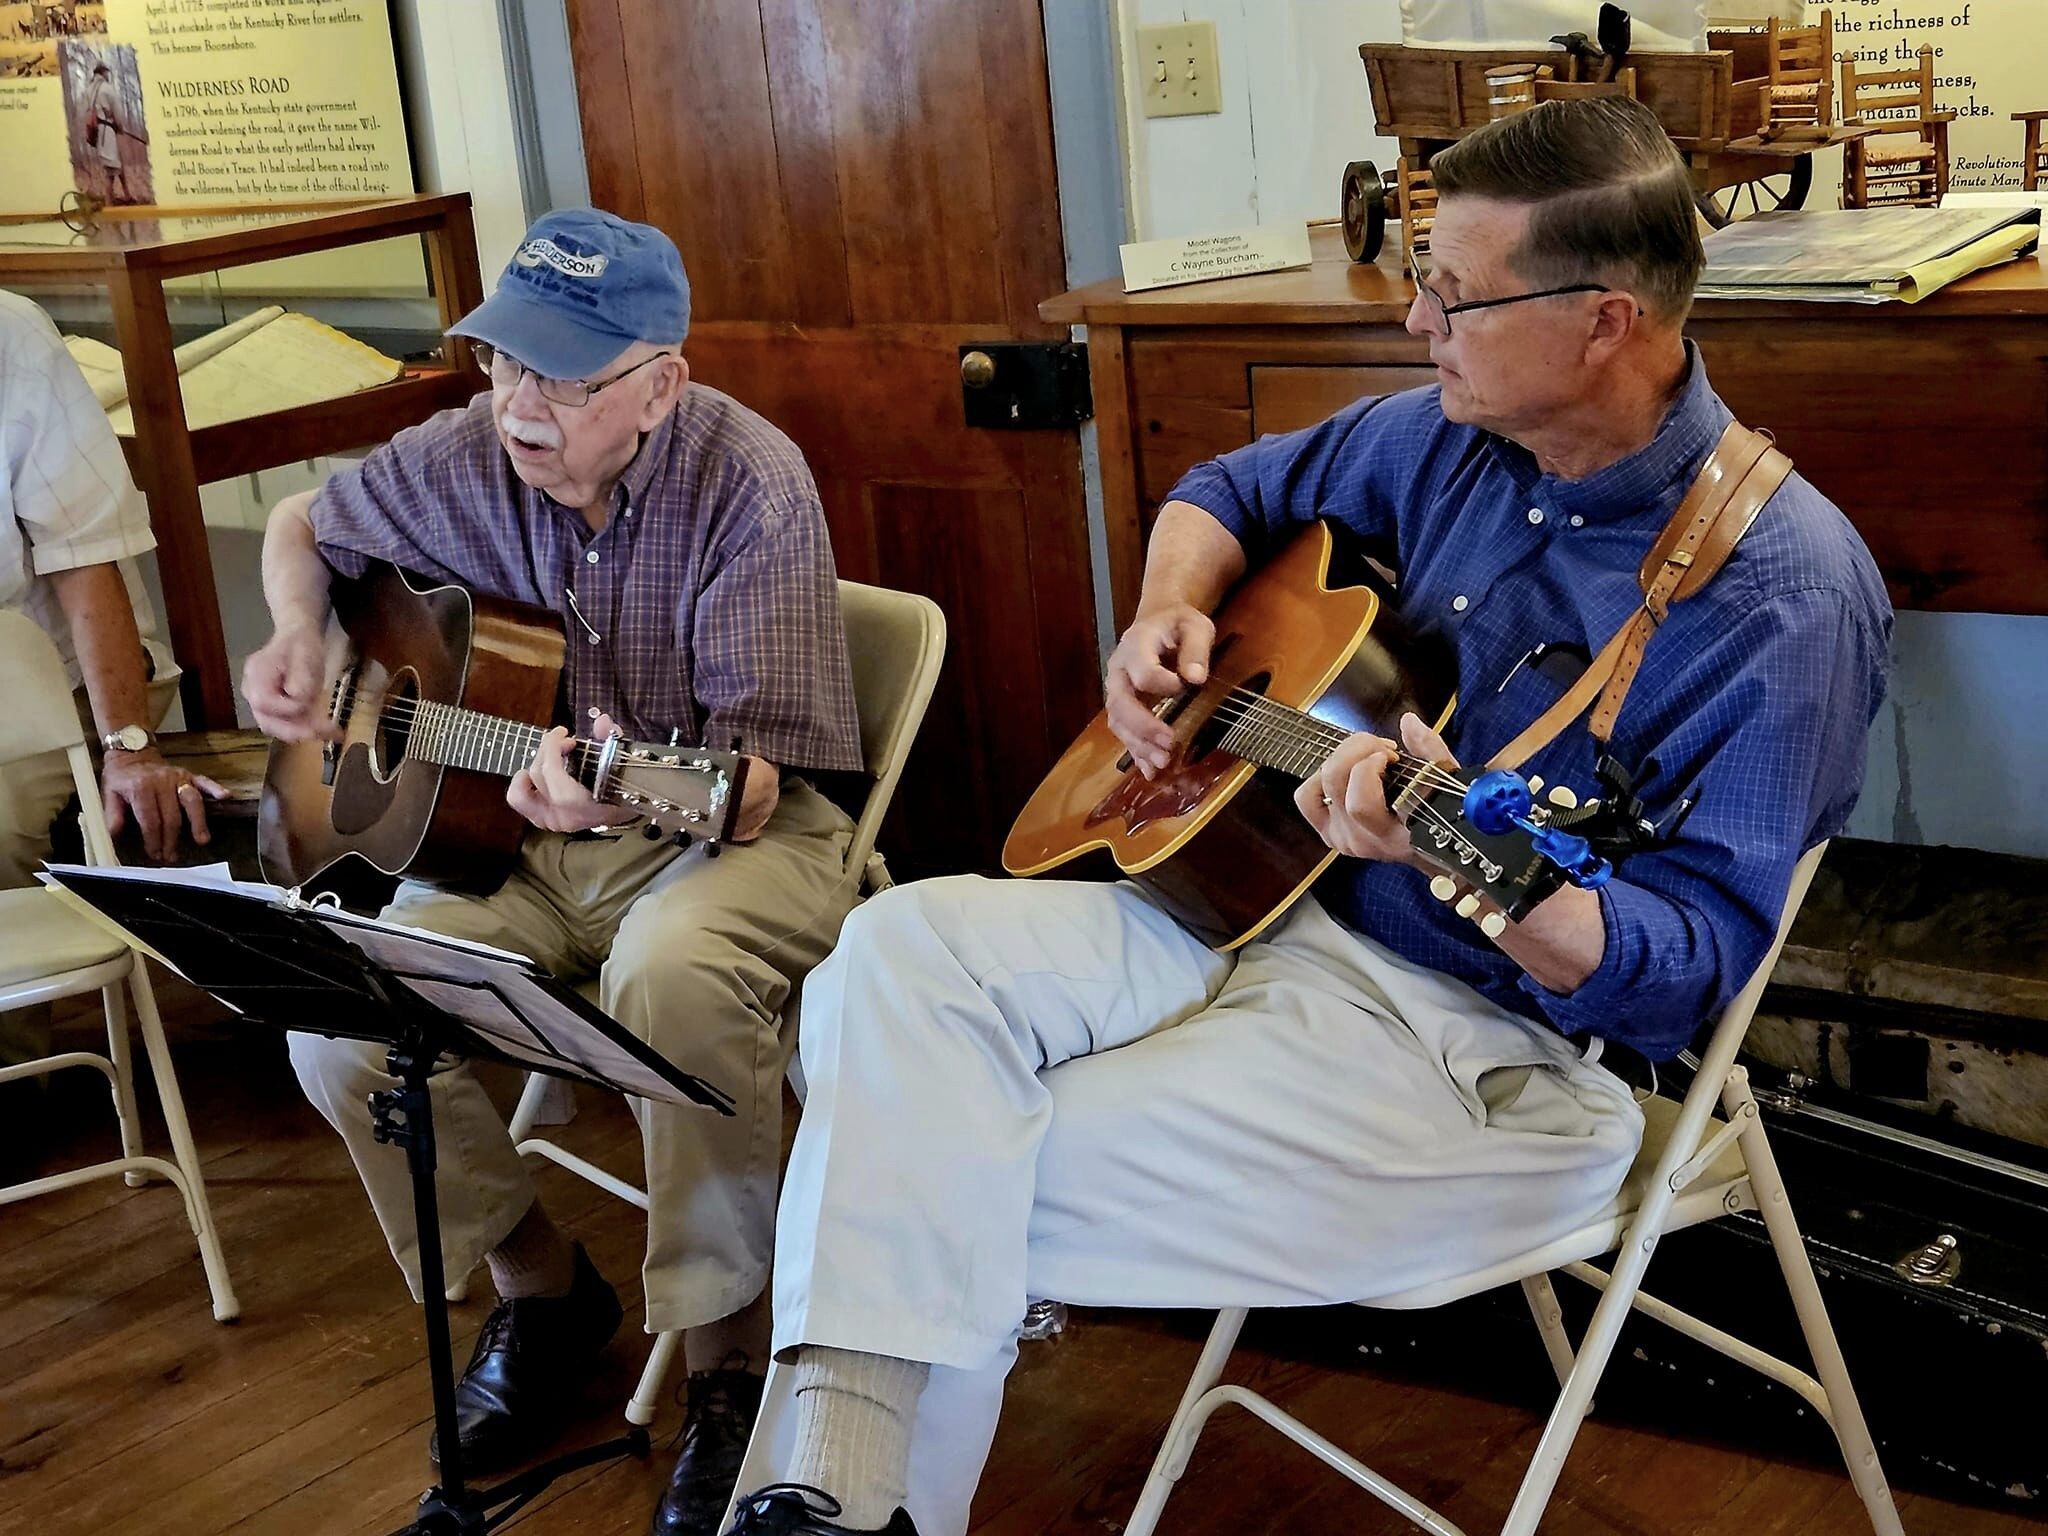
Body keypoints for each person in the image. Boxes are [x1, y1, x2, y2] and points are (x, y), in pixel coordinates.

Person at [723, 97, 1894, 1536]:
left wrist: (1471, 856)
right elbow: (1227, 487)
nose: (1415, 321)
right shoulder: (1449, 440)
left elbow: (1685, 972)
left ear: (1604, 323)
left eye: (1453, 294)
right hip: (1252, 907)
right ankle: (843, 1506)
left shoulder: (1783, 596)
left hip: (1470, 1038)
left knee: (924, 1146)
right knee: (894, 956)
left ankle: (826, 1499)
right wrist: (1166, 614)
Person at [243, 210, 864, 1536]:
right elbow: (302, 521)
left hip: (726, 836)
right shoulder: (466, 448)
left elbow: (749, 788)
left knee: (671, 977)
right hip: (513, 847)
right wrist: (298, 632)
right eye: (504, 361)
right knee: (338, 1014)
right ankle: (542, 1293)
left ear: (660, 384)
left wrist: (614, 785)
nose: (520, 403)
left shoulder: (750, 482)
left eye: (563, 377)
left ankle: (727, 1366)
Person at [1, 287, 208, 1092]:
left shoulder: (12, 335)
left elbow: (86, 561)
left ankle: (16, 1077)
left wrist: (129, 745)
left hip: (64, 686)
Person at [83, 62, 131, 205]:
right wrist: (120, 126)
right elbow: (117, 110)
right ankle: (110, 202)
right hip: (106, 131)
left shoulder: (88, 90)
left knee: (116, 162)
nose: (107, 75)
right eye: (106, 72)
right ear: (103, 72)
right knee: (111, 168)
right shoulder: (106, 88)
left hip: (99, 132)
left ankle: (127, 194)